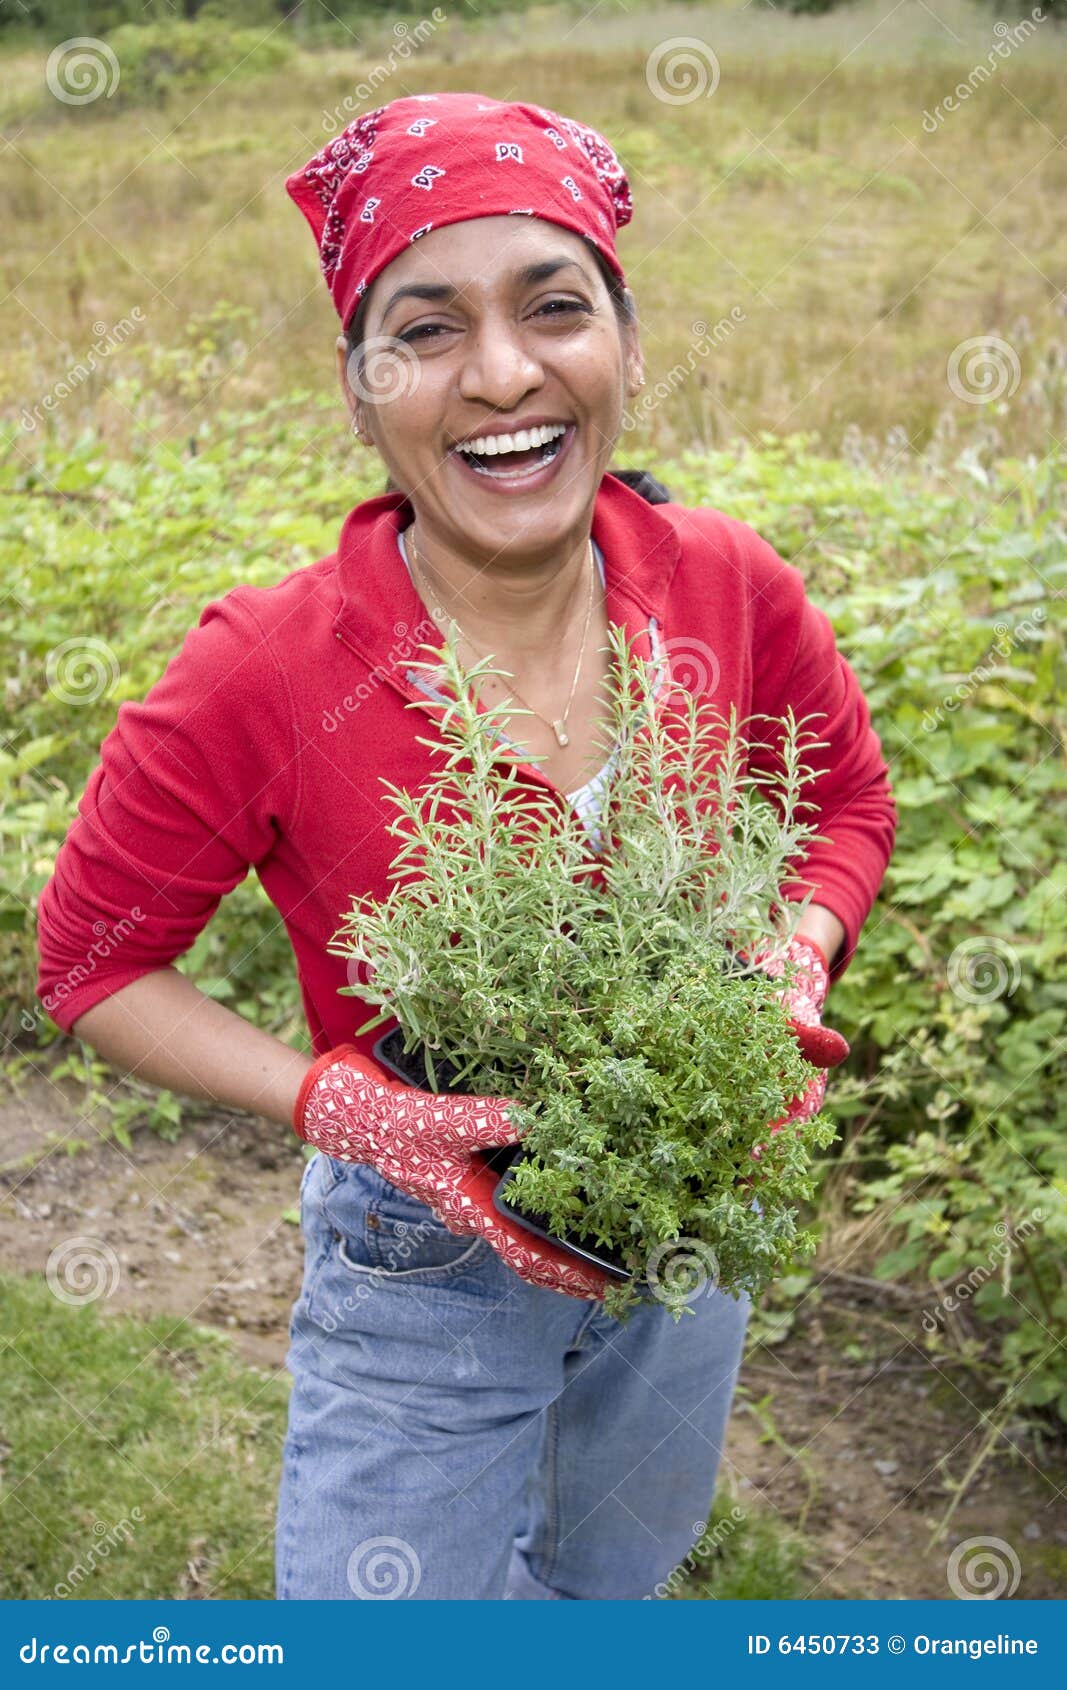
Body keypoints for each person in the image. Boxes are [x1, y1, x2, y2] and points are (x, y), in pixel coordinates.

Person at [34, 91, 897, 1601]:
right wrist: (346, 1108)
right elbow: (92, 966)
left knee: (603, 1587)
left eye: (554, 308)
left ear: (623, 347)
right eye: (425, 330)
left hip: (688, 1218)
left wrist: (794, 948)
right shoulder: (266, 667)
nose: (505, 372)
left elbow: (847, 811)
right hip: (423, 1258)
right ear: (361, 393)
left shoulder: (723, 582)